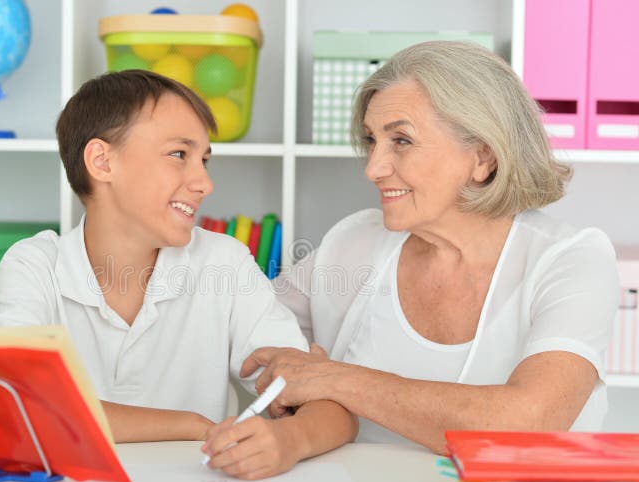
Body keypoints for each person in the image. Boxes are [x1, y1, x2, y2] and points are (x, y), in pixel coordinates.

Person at [227, 41, 620, 455]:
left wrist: (334, 379)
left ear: (483, 156)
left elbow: (529, 423)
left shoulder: (571, 259)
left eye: (401, 140)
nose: (373, 168)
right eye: (372, 140)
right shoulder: (354, 240)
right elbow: (250, 329)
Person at [0, 70, 357, 479]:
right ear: (102, 161)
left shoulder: (224, 263)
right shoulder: (34, 265)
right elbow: (13, 404)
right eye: (179, 154)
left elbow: (331, 405)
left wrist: (291, 440)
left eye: (204, 160)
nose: (204, 182)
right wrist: (192, 425)